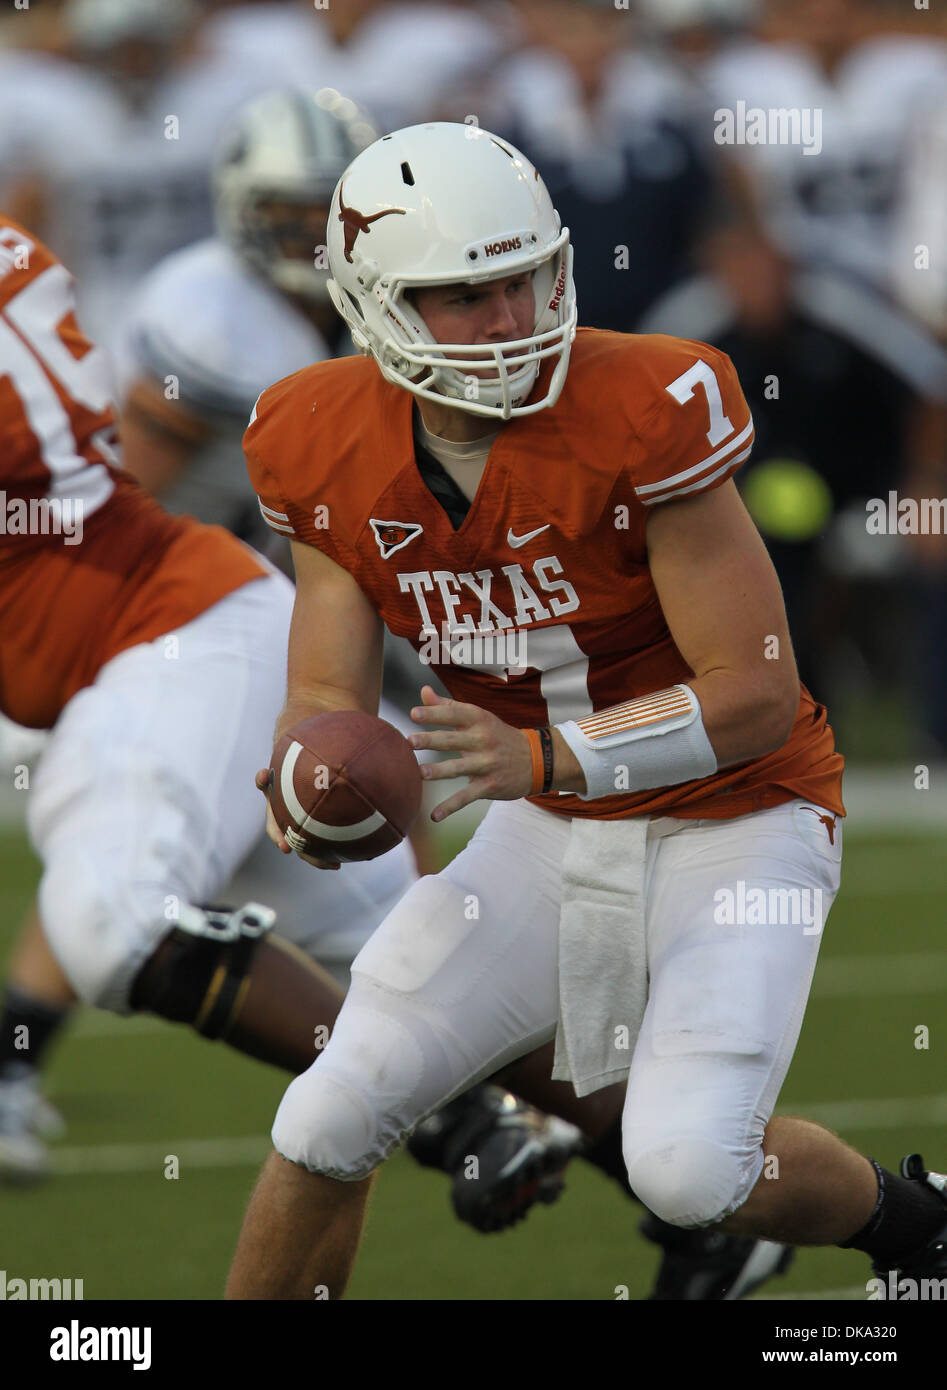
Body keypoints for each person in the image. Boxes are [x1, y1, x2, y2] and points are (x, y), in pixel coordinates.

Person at [226, 121, 947, 1300]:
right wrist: (310, 784)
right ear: (370, 303)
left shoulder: (646, 400)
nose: (510, 321)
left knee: (685, 1168)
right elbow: (322, 692)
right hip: (545, 824)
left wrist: (546, 752)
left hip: (736, 814)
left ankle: (918, 1230)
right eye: (463, 298)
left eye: (522, 280)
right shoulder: (311, 433)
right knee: (332, 1105)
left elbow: (758, 692)